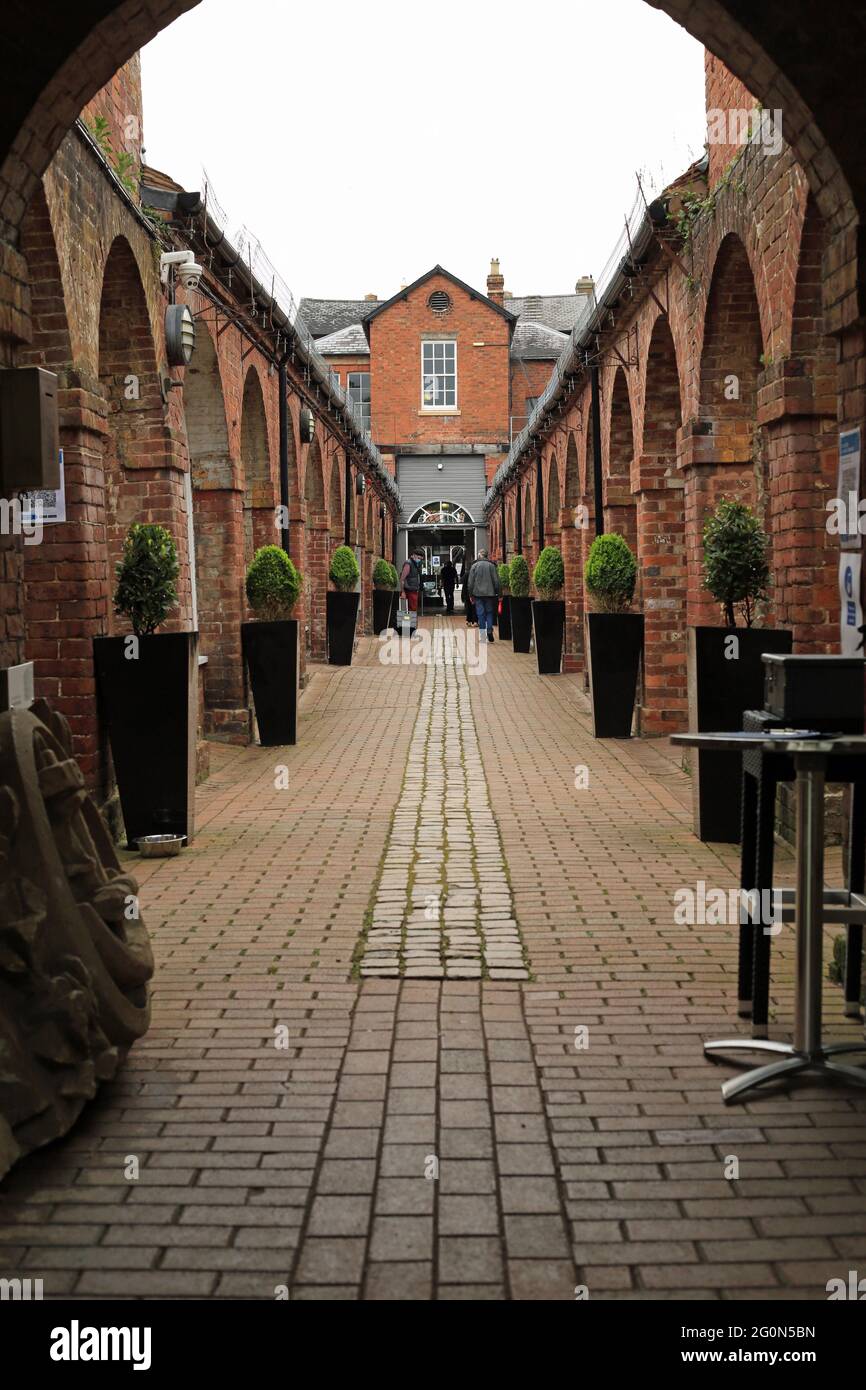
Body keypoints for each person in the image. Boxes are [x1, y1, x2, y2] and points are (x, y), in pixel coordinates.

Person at [467, 548, 500, 641]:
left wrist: (470, 594)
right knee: (489, 612)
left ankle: (482, 635)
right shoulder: (492, 566)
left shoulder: (474, 566)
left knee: (480, 614)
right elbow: (496, 581)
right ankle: (489, 630)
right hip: (490, 594)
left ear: (479, 555)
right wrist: (498, 593)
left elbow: (470, 583)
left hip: (478, 594)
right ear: (486, 555)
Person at [400, 551, 423, 618]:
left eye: (421, 559)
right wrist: (403, 592)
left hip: (413, 589)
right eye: (419, 558)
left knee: (412, 608)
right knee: (411, 609)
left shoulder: (415, 564)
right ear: (414, 555)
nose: (419, 560)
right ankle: (408, 623)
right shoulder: (408, 563)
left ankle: (410, 623)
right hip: (409, 589)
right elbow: (402, 579)